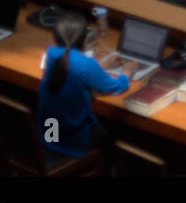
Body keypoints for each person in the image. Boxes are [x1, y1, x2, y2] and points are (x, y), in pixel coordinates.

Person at [37, 11, 130, 159]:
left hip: (50, 134)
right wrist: (127, 72)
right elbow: (115, 86)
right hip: (72, 139)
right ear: (84, 38)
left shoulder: (51, 54)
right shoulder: (86, 64)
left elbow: (72, 69)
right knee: (114, 138)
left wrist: (101, 66)